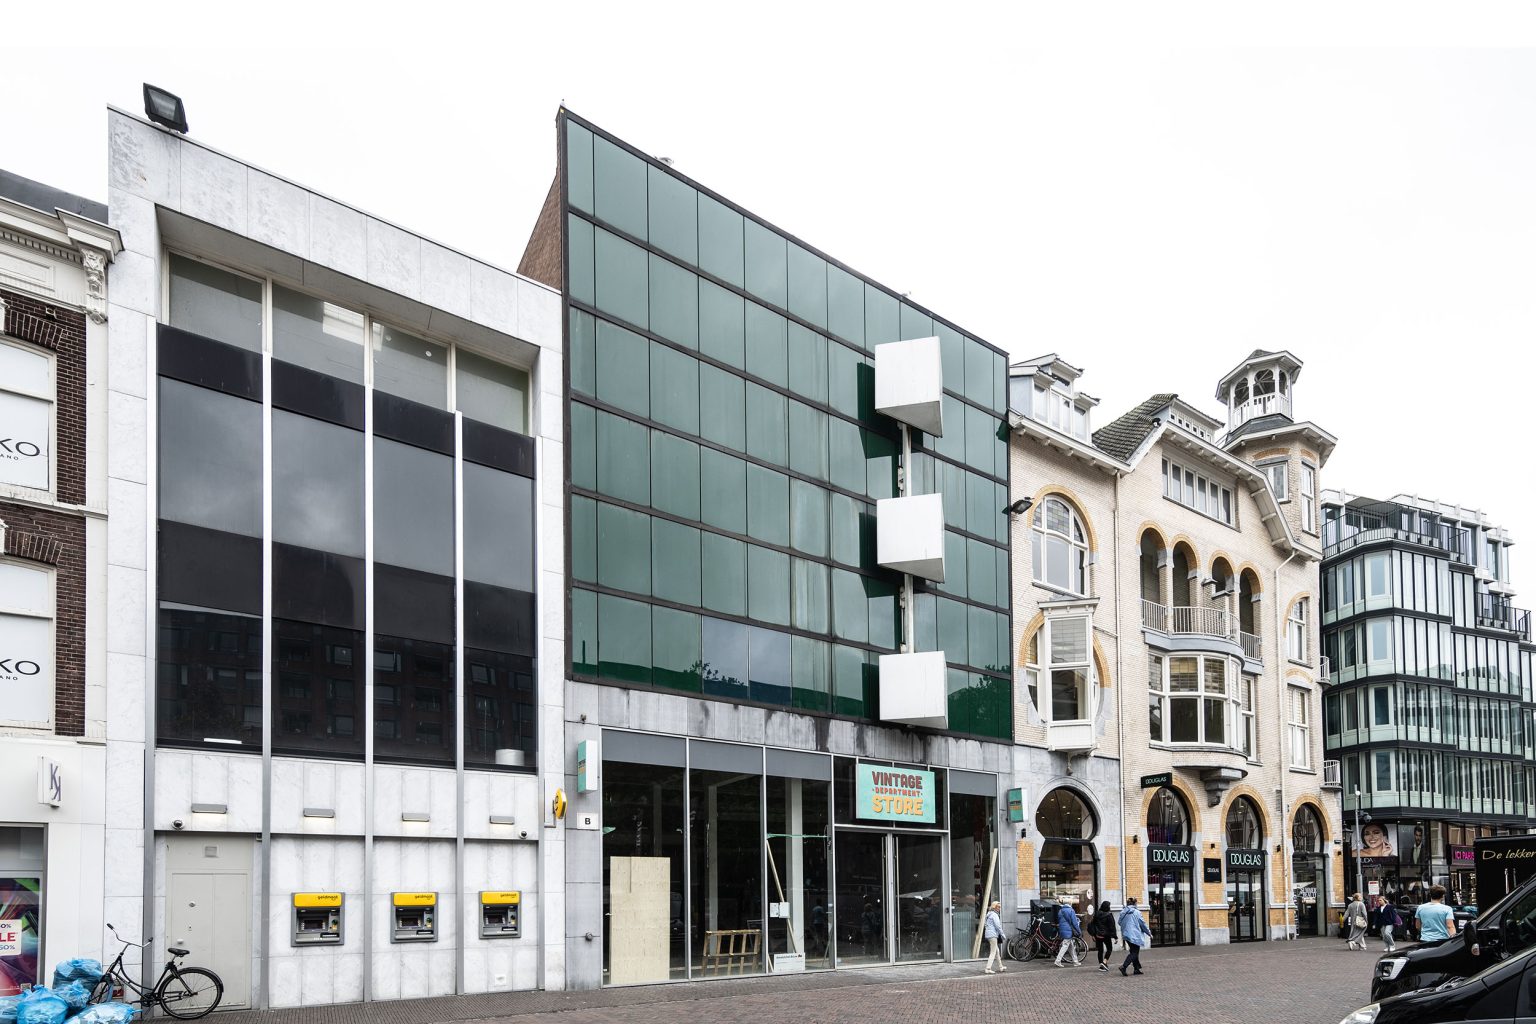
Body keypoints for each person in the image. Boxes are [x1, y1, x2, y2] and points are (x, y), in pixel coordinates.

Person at [1118, 898, 1149, 976]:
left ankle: (1136, 969)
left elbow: (1119, 922)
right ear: (1135, 904)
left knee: (1133, 951)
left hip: (1126, 934)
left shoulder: (1123, 912)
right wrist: (1149, 933)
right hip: (1135, 935)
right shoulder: (1137, 912)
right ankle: (1124, 966)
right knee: (1134, 953)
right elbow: (1142, 924)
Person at [1090, 899, 1118, 972]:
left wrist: (1093, 934)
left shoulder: (1096, 914)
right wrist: (1115, 937)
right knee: (1109, 949)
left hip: (1098, 935)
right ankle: (1104, 962)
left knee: (1100, 950)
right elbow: (1112, 926)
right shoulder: (1109, 915)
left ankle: (1101, 965)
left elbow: (1092, 924)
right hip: (1106, 935)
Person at [1054, 900, 1083, 967]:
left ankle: (1075, 961)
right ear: (1070, 904)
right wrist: (1079, 931)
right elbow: (1074, 923)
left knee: (1071, 946)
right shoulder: (1071, 910)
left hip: (1062, 929)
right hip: (1068, 930)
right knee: (1065, 945)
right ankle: (1058, 961)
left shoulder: (1060, 911)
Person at [982, 900, 1007, 974]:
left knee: (997, 951)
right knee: (993, 952)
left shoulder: (989, 914)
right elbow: (998, 926)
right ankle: (988, 968)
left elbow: (986, 924)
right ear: (994, 907)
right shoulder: (994, 915)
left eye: (1000, 907)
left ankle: (1001, 967)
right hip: (993, 935)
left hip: (989, 934)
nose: (999, 908)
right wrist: (1002, 934)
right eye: (998, 907)